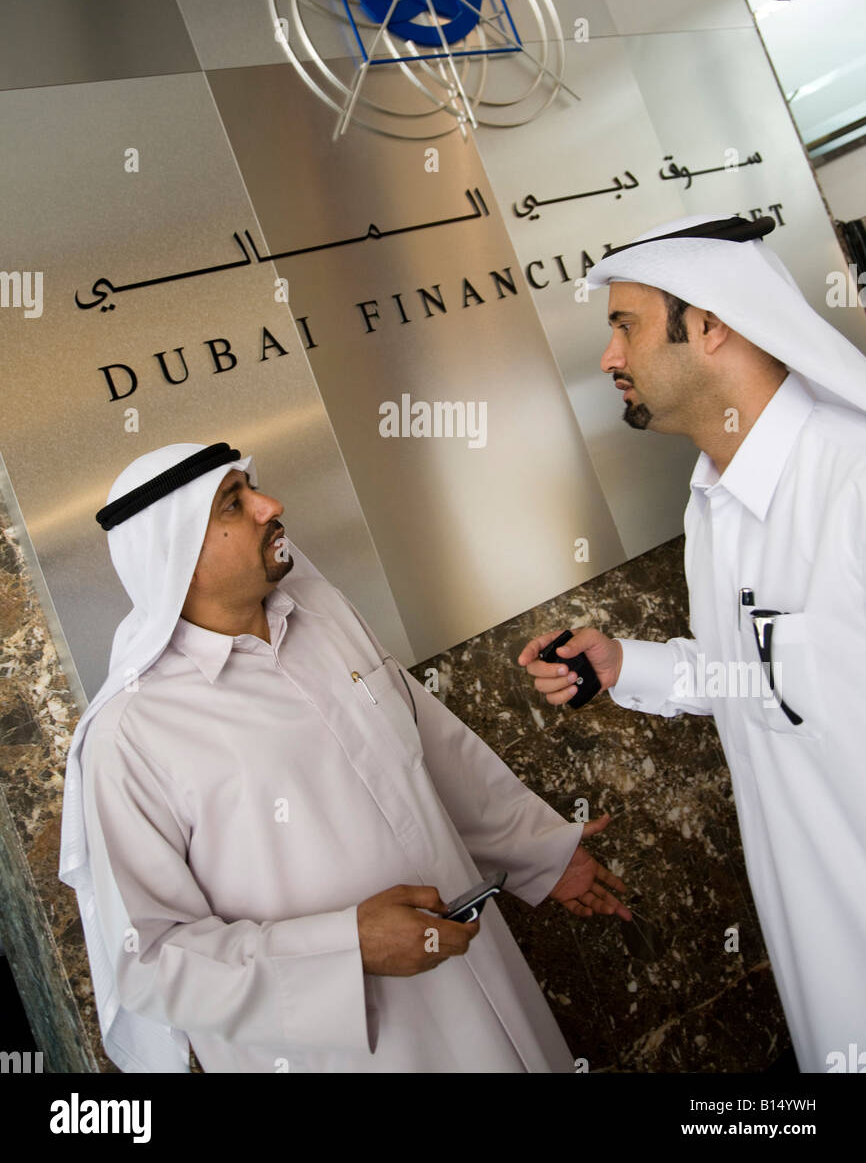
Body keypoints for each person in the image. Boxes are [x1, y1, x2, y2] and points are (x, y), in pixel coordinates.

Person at [60, 441, 630, 1074]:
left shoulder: (323, 616)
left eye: (253, 486)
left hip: (481, 975)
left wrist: (541, 854)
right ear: (176, 554)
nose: (270, 505)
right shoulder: (131, 735)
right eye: (234, 500)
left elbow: (430, 751)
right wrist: (347, 948)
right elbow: (152, 960)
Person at [519, 213, 866, 1074]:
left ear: (709, 324)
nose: (608, 359)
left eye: (624, 326)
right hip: (821, 933)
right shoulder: (711, 501)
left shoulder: (852, 480)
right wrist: (624, 662)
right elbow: (765, 677)